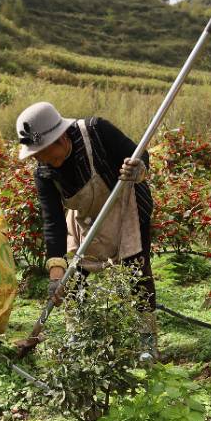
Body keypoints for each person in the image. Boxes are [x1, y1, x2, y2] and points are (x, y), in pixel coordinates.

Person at [16, 101, 159, 359]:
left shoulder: (97, 131)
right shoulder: (45, 173)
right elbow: (53, 223)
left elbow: (138, 153)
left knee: (137, 271)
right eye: (37, 156)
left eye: (48, 154)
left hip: (126, 205)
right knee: (74, 276)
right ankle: (77, 336)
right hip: (87, 217)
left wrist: (138, 169)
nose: (46, 162)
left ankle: (146, 341)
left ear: (60, 138)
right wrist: (56, 275)